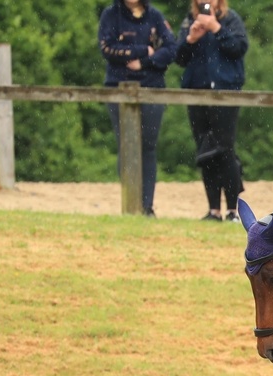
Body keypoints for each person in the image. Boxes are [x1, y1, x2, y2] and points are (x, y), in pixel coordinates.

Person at [99, 0, 178, 217]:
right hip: (120, 87)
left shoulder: (155, 16)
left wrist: (144, 62)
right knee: (127, 146)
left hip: (152, 87)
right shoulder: (111, 15)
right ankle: (130, 203)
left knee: (148, 147)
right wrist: (143, 49)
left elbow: (171, 49)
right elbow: (107, 48)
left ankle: (146, 206)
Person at [175, 0, 249, 222]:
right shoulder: (189, 21)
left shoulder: (231, 19)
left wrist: (217, 28)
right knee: (205, 150)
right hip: (197, 91)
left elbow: (239, 48)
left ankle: (233, 210)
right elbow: (179, 57)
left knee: (225, 150)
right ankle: (214, 209)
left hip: (225, 92)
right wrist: (191, 39)